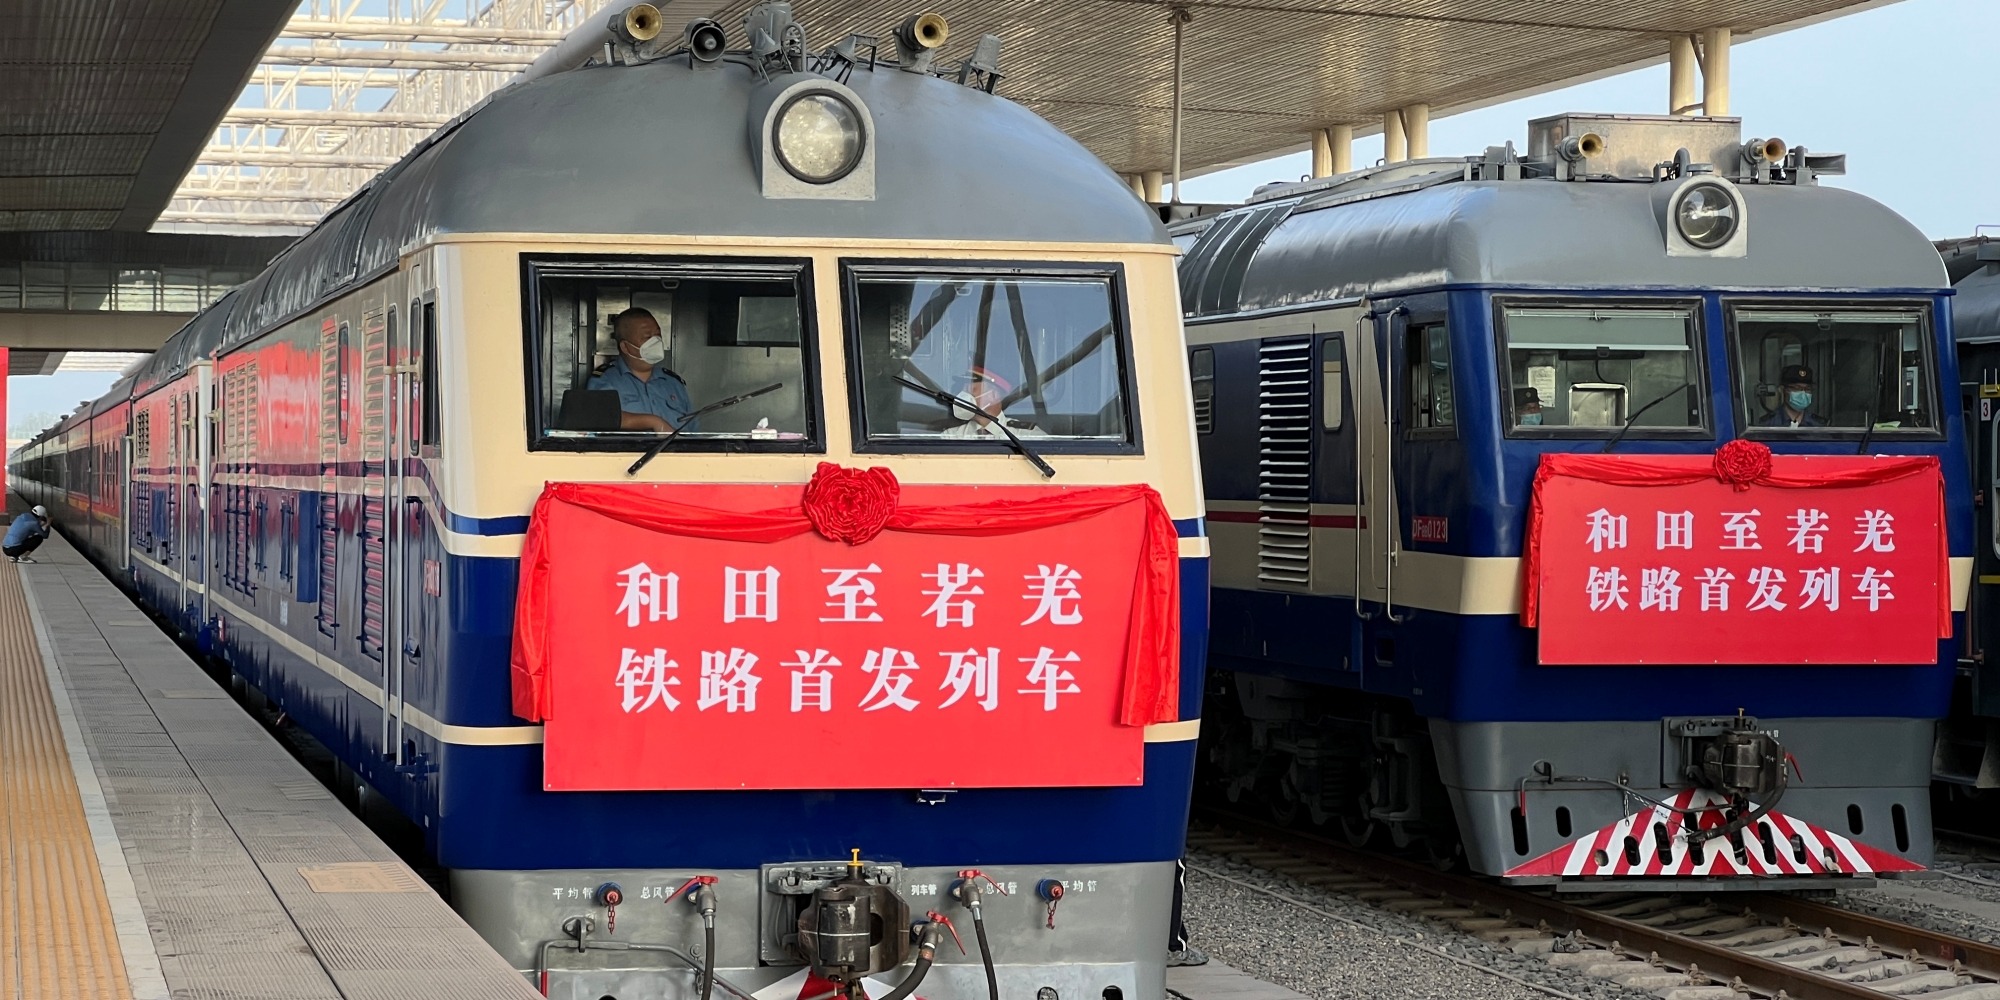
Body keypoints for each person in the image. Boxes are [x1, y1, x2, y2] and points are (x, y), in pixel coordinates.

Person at [588, 307, 696, 433]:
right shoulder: (605, 381)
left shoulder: (673, 383)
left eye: (658, 335)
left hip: (677, 452)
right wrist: (654, 422)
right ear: (626, 347)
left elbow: (693, 430)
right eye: (647, 337)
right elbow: (599, 418)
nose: (656, 341)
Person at [941, 366, 1048, 439]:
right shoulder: (951, 436)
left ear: (993, 396)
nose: (963, 395)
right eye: (964, 390)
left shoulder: (1028, 436)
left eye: (972, 390)